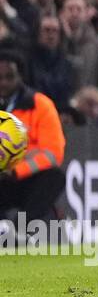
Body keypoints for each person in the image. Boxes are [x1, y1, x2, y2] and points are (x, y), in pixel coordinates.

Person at [0, 48, 68, 222]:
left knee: (54, 176)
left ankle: (19, 229)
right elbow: (41, 151)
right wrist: (31, 152)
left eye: (9, 77)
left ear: (20, 77)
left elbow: (53, 153)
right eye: (0, 78)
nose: (3, 83)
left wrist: (15, 170)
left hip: (26, 179)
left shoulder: (40, 105)